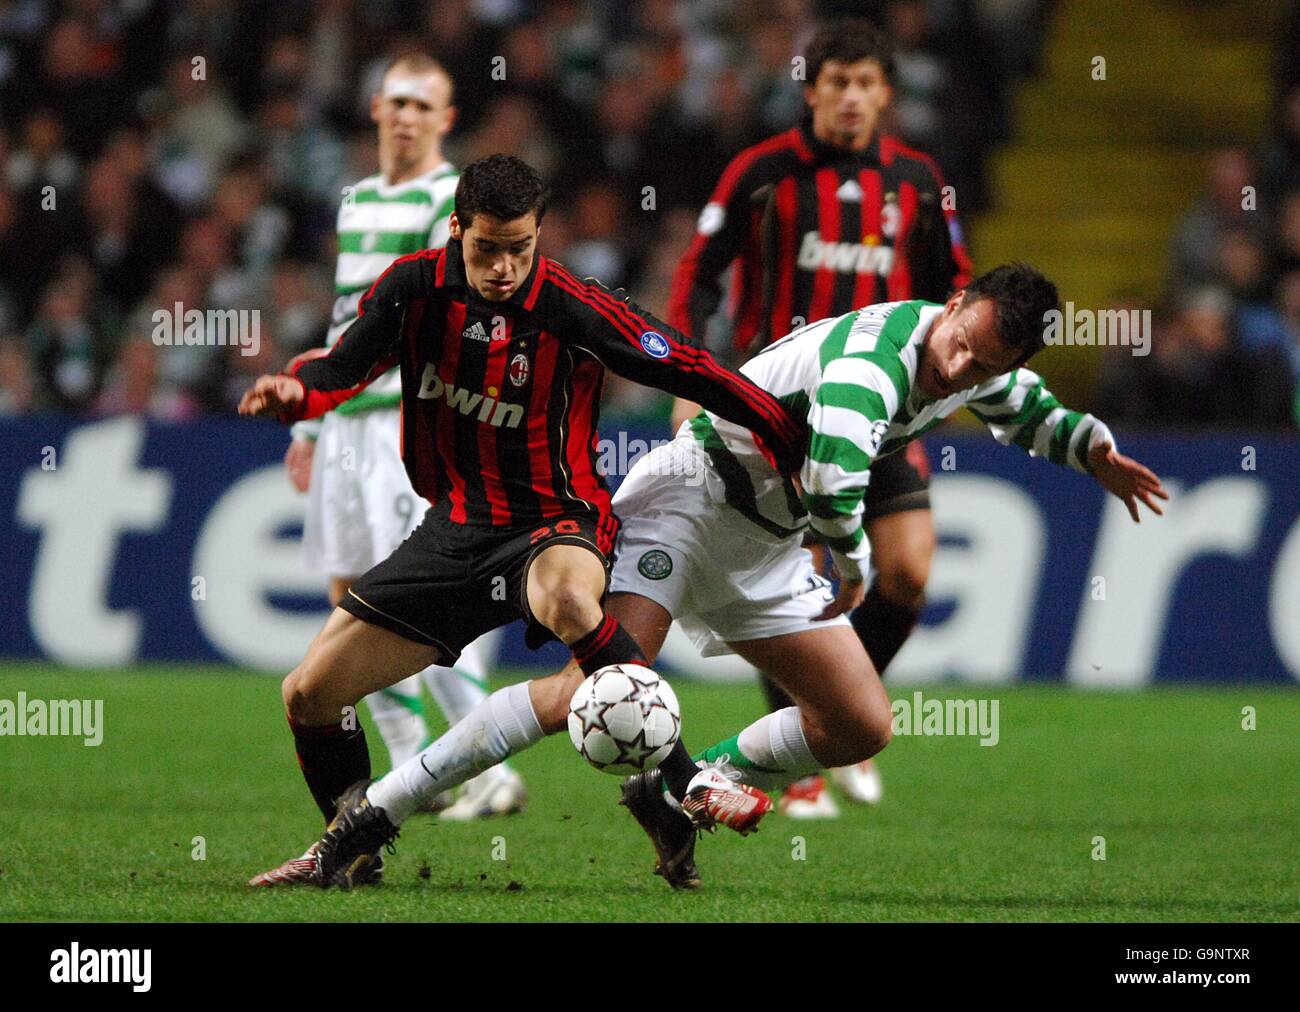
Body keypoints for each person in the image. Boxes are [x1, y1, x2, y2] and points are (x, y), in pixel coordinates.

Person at [302, 263, 1168, 891]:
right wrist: (855, 562)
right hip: (688, 507)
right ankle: (372, 816)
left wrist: (1093, 448)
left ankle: (679, 787)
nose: (959, 371)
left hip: (767, 546)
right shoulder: (874, 363)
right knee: (583, 692)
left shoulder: (976, 362)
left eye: (981, 366)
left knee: (860, 724)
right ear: (952, 306)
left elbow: (1028, 409)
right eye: (960, 348)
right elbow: (833, 479)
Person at [238, 154, 807, 888]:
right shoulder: (412, 289)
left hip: (556, 523)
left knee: (567, 598)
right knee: (309, 694)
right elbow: (342, 368)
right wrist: (298, 393)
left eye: (520, 248)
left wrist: (781, 430)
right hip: (455, 530)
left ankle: (684, 779)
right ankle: (351, 847)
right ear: (456, 228)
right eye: (487, 248)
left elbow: (687, 365)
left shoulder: (574, 306)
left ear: (539, 234)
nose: (504, 267)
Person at [667, 20, 973, 817]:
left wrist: (949, 381)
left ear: (887, 93)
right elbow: (699, 275)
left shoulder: (917, 182)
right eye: (837, 82)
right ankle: (801, 757)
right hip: (780, 413)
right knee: (794, 584)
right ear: (812, 91)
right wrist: (685, 377)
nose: (851, 98)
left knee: (907, 572)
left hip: (884, 412)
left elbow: (955, 291)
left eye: (866, 83)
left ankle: (835, 717)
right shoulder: (761, 172)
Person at [274, 54, 525, 865]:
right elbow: (348, 321)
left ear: (445, 120)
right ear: (376, 107)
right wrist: (311, 427)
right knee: (346, 592)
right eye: (399, 103)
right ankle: (419, 765)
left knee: (413, 602)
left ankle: (489, 769)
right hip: (346, 421)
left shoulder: (445, 200)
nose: (409, 117)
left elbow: (432, 313)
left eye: (425, 106)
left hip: (397, 424)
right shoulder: (360, 200)